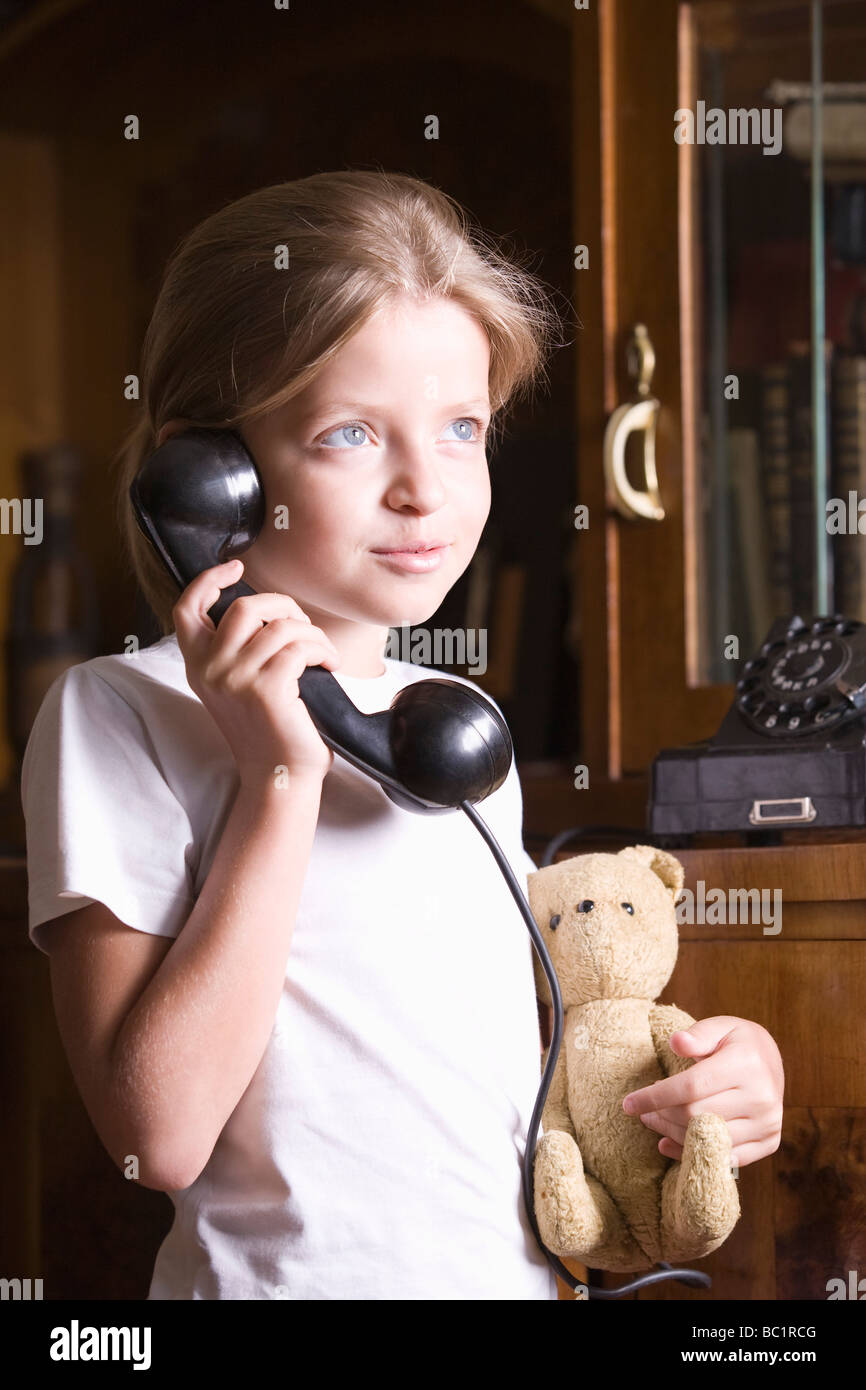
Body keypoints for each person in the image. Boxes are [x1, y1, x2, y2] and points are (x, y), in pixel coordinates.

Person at [21, 170, 783, 1301]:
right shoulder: (118, 713)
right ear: (209, 480)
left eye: (461, 427)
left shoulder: (453, 732)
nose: (424, 489)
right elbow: (159, 1138)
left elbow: (503, 1088)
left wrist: (718, 1078)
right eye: (349, 435)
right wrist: (281, 778)